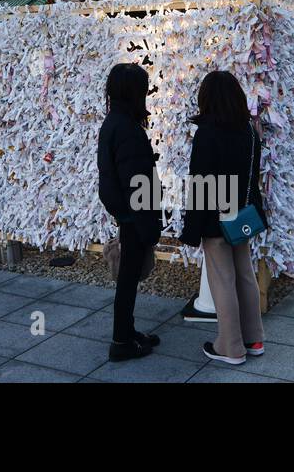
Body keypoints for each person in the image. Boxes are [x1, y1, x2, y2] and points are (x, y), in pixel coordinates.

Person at [180, 71, 267, 366]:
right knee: (244, 273)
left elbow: (200, 183)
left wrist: (192, 228)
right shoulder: (248, 131)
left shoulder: (208, 133)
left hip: (214, 214)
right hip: (241, 213)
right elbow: (252, 177)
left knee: (222, 279)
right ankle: (253, 339)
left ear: (207, 98)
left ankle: (230, 347)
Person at [96, 62, 162, 362]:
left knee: (129, 276)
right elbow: (136, 182)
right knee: (127, 277)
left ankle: (128, 330)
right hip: (134, 215)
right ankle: (121, 340)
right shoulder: (127, 129)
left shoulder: (114, 122)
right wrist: (148, 223)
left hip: (126, 212)